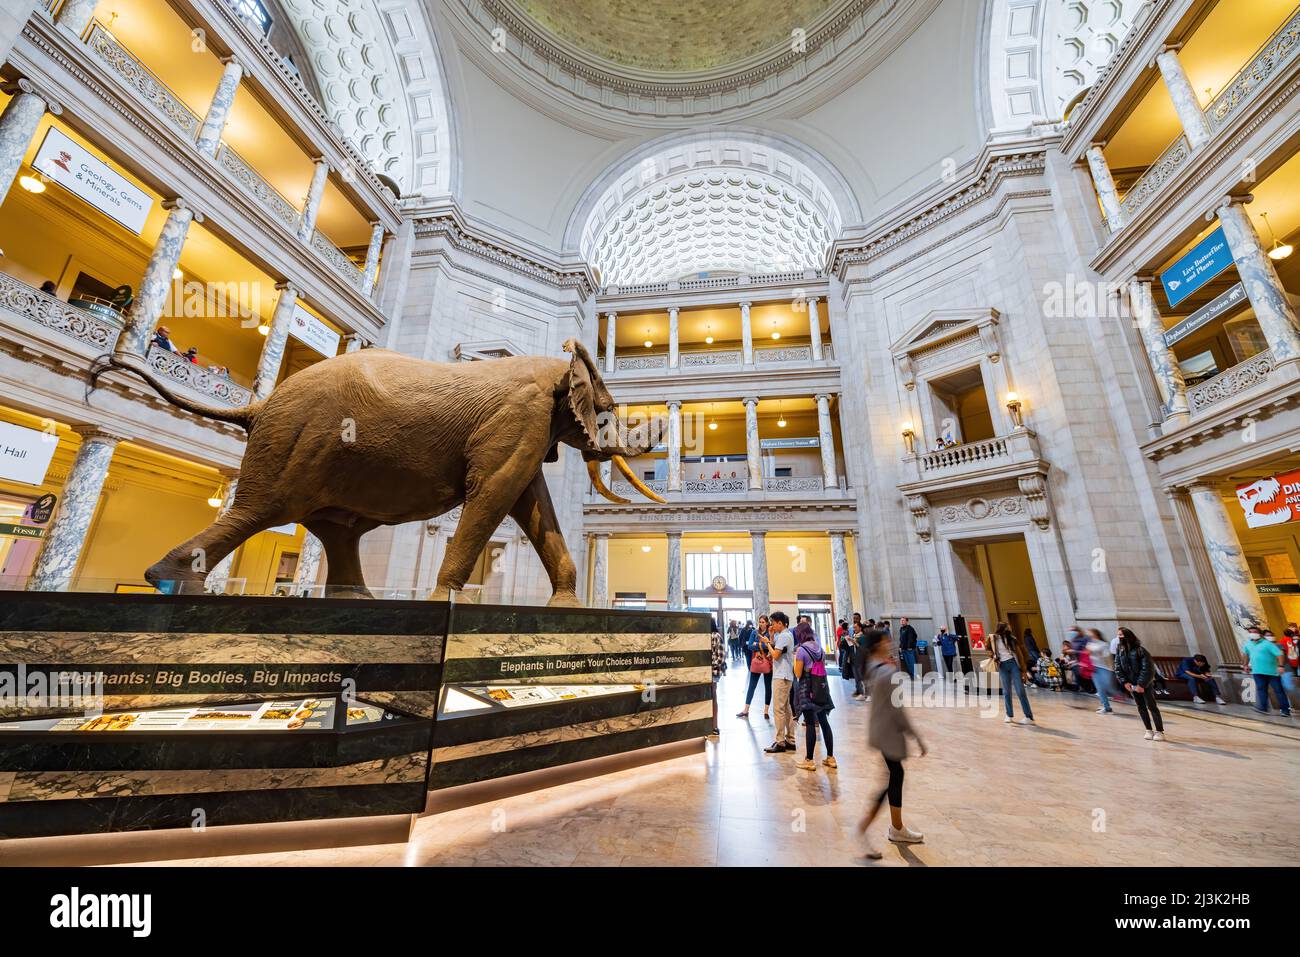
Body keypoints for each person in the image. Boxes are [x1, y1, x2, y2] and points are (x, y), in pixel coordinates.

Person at [856, 628, 925, 857]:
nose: (890, 643)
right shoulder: (886, 672)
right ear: (879, 645)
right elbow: (898, 711)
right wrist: (916, 736)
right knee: (892, 780)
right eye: (887, 640)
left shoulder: (873, 668)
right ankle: (867, 828)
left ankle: (897, 827)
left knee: (895, 776)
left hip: (880, 731)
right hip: (889, 733)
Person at [791, 619, 835, 771]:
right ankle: (831, 757)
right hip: (821, 686)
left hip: (807, 687)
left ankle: (809, 760)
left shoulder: (802, 650)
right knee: (823, 721)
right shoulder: (820, 648)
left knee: (810, 723)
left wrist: (796, 660)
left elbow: (797, 673)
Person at [1114, 627, 1166, 740]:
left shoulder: (1140, 650)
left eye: (1121, 635)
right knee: (1140, 707)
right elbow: (1117, 667)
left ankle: (1159, 731)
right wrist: (1124, 682)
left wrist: (1141, 684)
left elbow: (1147, 669)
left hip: (1144, 684)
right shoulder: (1120, 649)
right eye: (1118, 635)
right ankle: (1148, 729)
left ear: (1128, 636)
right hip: (1131, 684)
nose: (1119, 637)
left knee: (1152, 706)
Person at [764, 611, 798, 754]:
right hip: (786, 675)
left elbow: (776, 655)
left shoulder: (784, 635)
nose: (772, 626)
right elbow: (778, 650)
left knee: (778, 709)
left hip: (781, 676)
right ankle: (790, 740)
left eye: (773, 623)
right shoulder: (787, 635)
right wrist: (771, 637)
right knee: (787, 709)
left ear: (780, 623)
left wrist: (767, 643)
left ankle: (780, 742)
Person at [991, 621, 1035, 724]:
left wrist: (1024, 669)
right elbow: (988, 649)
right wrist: (992, 656)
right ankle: (1009, 715)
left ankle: (1028, 717)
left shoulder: (1012, 639)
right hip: (1002, 665)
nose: (1010, 628)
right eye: (1008, 626)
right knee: (1006, 692)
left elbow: (1021, 653)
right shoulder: (993, 638)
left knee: (1020, 691)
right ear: (1003, 628)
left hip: (1013, 664)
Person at [1242, 628, 1291, 717]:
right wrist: (1245, 665)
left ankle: (1285, 710)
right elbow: (1246, 654)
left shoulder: (1267, 644)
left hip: (1272, 672)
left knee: (1278, 691)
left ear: (1260, 634)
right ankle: (1263, 708)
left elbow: (1279, 654)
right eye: (1250, 632)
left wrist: (1280, 666)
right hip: (1257, 672)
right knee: (1261, 690)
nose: (1252, 634)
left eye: (1255, 632)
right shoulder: (1247, 644)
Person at [737, 616, 773, 721]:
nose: (761, 624)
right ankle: (746, 710)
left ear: (767, 623)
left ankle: (766, 711)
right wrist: (762, 645)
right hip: (757, 661)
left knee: (768, 686)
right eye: (760, 622)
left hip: (767, 661)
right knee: (751, 686)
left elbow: (771, 645)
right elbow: (749, 646)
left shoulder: (770, 633)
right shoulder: (754, 632)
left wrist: (757, 644)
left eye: (763, 622)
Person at [1086, 628, 1118, 714]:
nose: (1088, 635)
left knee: (1108, 687)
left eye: (1090, 633)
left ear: (1095, 634)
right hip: (1094, 668)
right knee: (1100, 689)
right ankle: (1106, 707)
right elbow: (1087, 655)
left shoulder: (1103, 644)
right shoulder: (1089, 644)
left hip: (1104, 668)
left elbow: (1107, 657)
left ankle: (1121, 695)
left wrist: (1112, 668)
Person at [709, 618, 725, 735]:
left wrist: (708, 666)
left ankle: (714, 726)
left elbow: (720, 658)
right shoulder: (704, 636)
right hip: (706, 672)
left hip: (713, 672)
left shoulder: (716, 636)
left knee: (713, 697)